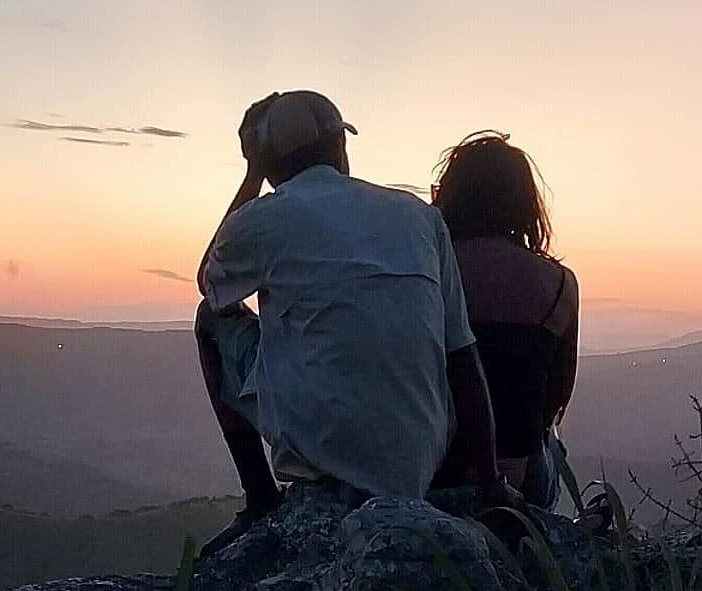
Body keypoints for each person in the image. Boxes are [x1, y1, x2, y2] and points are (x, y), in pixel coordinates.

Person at [194, 91, 521, 558]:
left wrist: (252, 174)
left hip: (320, 450)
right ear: (338, 147)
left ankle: (261, 498)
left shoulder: (265, 219)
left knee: (210, 320)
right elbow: (462, 355)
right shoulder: (419, 217)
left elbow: (209, 282)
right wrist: (490, 485)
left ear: (272, 163)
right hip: (421, 460)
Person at [431, 131, 580, 509]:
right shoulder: (559, 284)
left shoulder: (427, 269)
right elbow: (556, 396)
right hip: (518, 475)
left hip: (429, 469)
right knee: (550, 443)